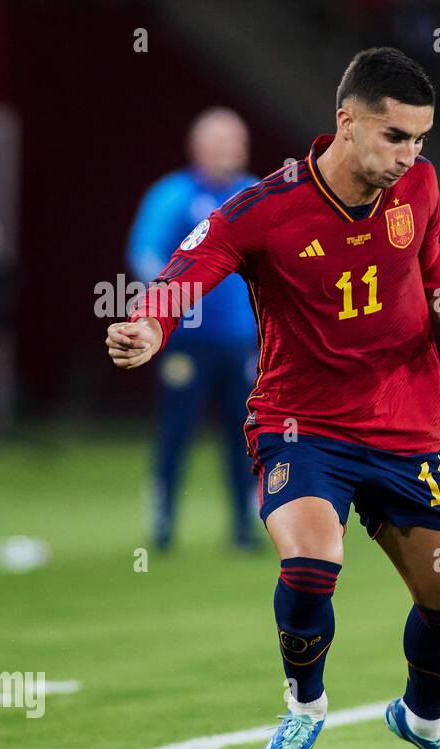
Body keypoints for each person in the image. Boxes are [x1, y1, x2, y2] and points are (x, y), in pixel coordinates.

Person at [106, 48, 440, 749]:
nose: (410, 155)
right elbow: (186, 271)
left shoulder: (421, 187)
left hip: (404, 427)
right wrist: (148, 326)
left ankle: (425, 721)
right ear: (347, 122)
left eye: (421, 139)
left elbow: (434, 276)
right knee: (312, 564)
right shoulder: (265, 208)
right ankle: (305, 707)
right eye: (395, 136)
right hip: (302, 426)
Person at [128, 108, 261, 549]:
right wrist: (167, 303)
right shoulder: (174, 194)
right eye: (221, 142)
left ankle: (244, 525)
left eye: (236, 143)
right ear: (197, 147)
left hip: (241, 342)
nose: (231, 152)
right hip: (186, 340)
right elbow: (145, 254)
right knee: (176, 429)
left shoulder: (252, 194)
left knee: (243, 434)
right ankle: (163, 523)